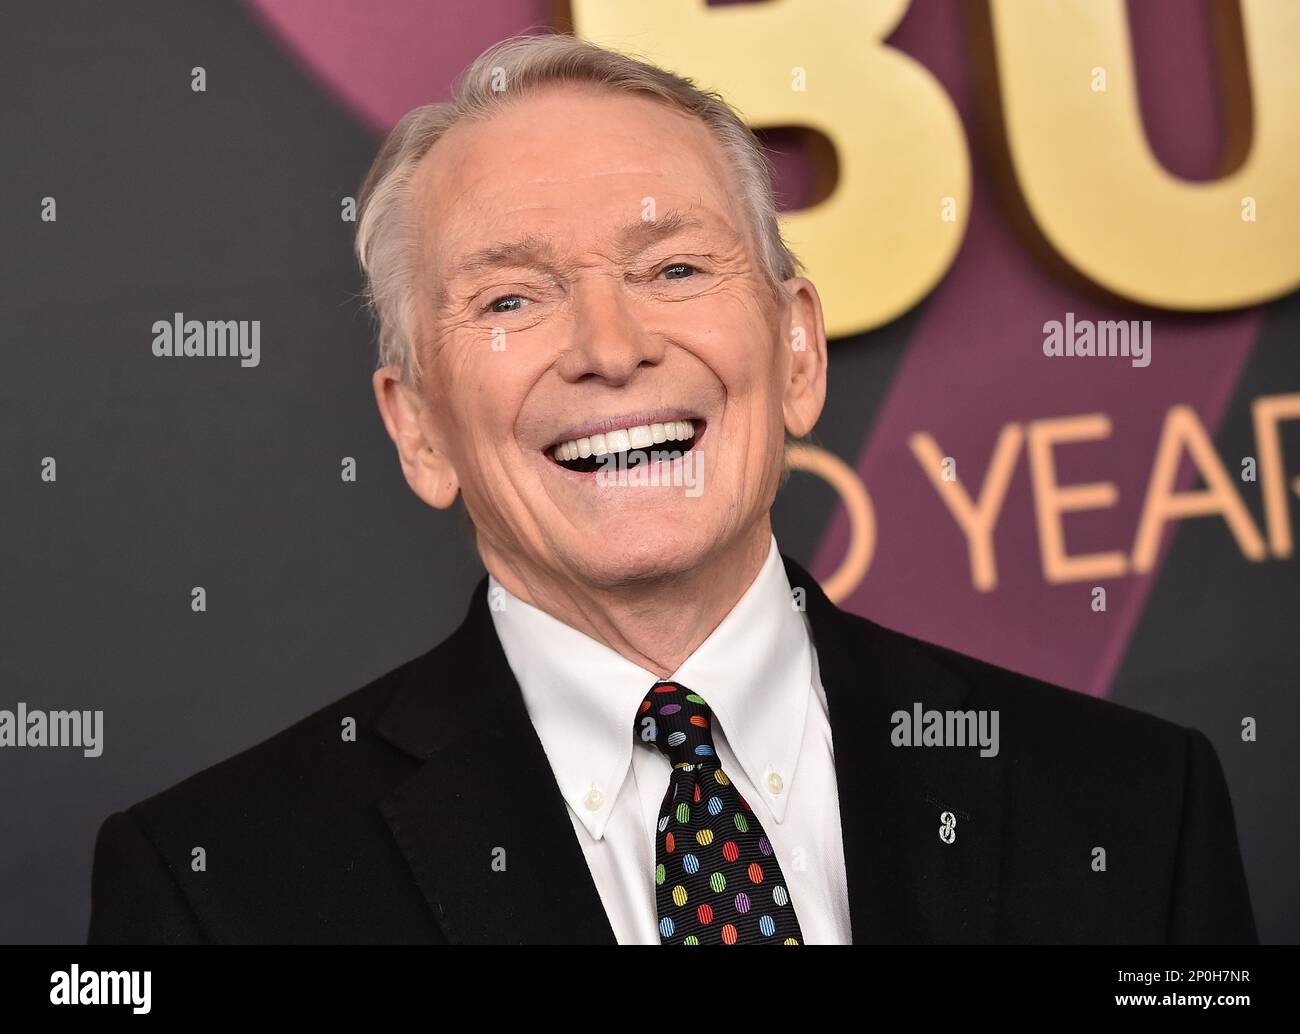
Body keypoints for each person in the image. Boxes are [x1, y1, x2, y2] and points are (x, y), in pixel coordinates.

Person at [87, 31, 1256, 945]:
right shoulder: (216, 888)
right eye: (511, 298)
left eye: (675, 267)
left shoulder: (1132, 806)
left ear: (796, 348)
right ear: (418, 426)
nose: (610, 343)